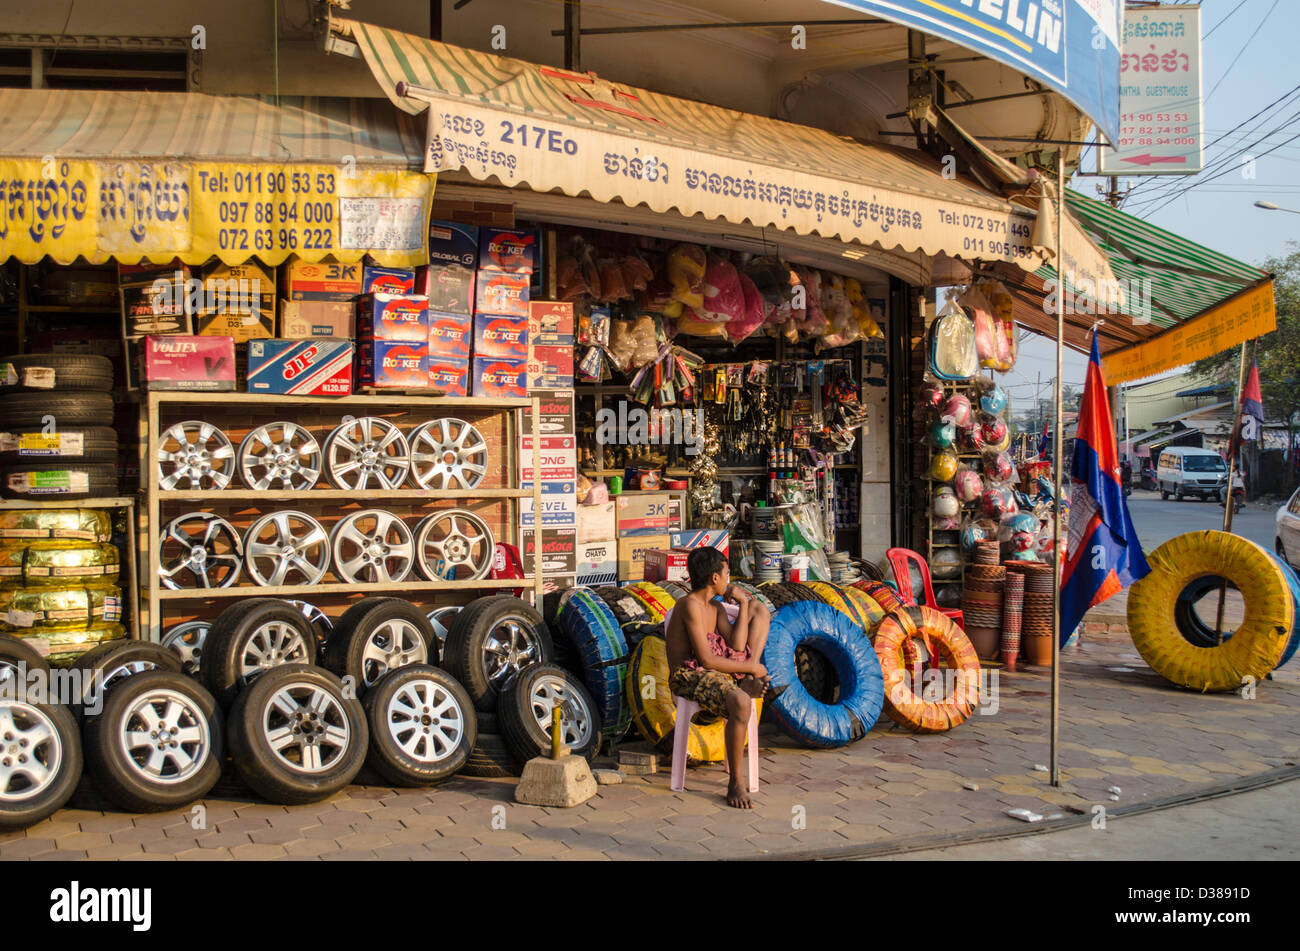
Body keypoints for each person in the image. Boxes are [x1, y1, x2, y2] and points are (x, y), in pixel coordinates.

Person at [665, 546, 770, 809]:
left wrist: (744, 604)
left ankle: (746, 686)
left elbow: (735, 646)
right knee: (741, 700)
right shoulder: (689, 605)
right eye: (726, 574)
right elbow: (706, 660)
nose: (728, 579)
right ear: (714, 578)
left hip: (712, 675)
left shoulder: (716, 608)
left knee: (740, 697)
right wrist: (751, 668)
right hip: (688, 674)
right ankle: (736, 782)